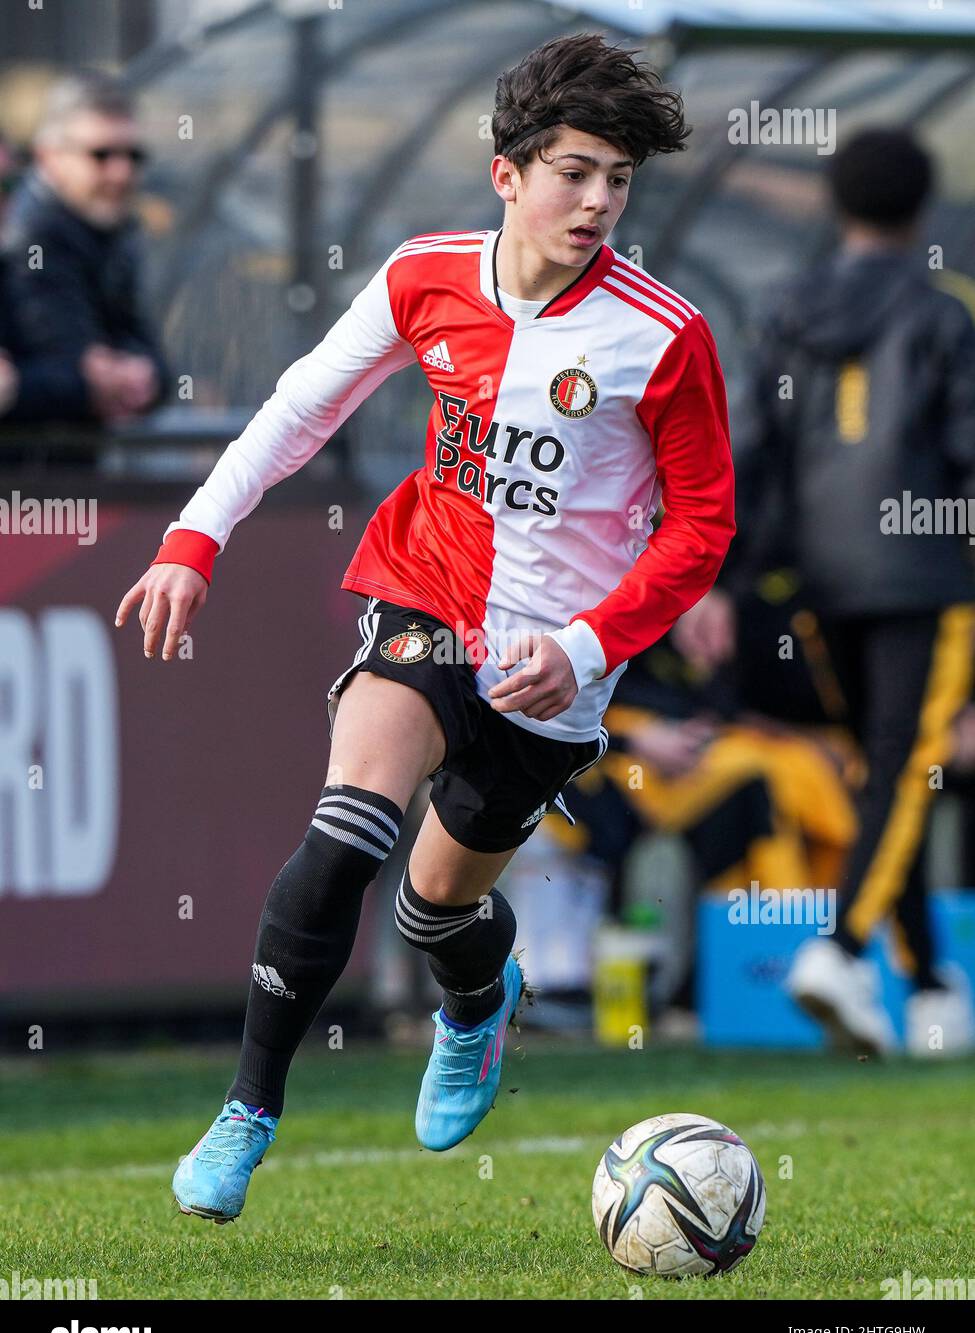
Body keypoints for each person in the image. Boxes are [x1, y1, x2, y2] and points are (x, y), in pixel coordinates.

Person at [116, 33, 735, 1223]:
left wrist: (588, 648)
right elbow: (301, 405)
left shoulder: (664, 336)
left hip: (555, 670)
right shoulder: (423, 276)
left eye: (618, 178)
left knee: (436, 901)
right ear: (507, 173)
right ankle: (248, 1109)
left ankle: (476, 999)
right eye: (575, 171)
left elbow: (701, 526)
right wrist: (194, 537)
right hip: (427, 601)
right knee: (347, 831)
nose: (599, 200)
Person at [680, 128, 975, 1056]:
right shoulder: (946, 314)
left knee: (886, 775)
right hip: (926, 578)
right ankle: (842, 949)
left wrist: (722, 580)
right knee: (900, 770)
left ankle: (929, 989)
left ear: (834, 205)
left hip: (819, 583)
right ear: (920, 210)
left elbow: (750, 457)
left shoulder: (782, 311)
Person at [1, 71, 167, 450]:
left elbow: (143, 351)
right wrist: (88, 381)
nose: (121, 172)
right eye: (102, 155)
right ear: (48, 158)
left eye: (133, 156)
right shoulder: (33, 236)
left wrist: (139, 374)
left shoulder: (111, 230)